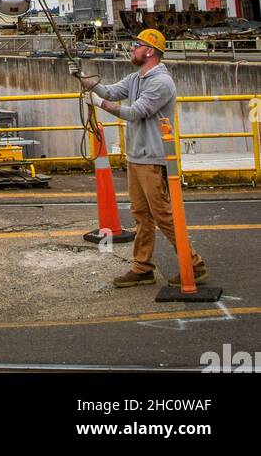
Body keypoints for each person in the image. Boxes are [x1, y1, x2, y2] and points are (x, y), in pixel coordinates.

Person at [79, 28, 207, 288]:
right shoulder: (136, 78)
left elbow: (136, 112)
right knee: (141, 214)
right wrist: (85, 80)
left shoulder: (161, 82)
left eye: (136, 45)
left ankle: (193, 264)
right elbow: (111, 92)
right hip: (137, 157)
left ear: (150, 50)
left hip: (153, 158)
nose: (132, 49)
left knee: (163, 215)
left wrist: (98, 104)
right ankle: (142, 266)